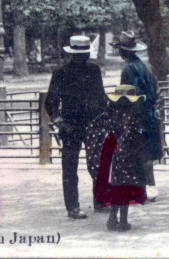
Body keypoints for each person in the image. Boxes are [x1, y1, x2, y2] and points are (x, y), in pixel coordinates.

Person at [45, 34, 107, 219]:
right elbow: (51, 103)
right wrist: (60, 122)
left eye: (86, 53)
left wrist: (106, 117)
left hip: (93, 123)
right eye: (80, 54)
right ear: (72, 54)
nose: (84, 57)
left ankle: (100, 201)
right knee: (70, 168)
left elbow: (101, 97)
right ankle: (72, 207)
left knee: (97, 164)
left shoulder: (94, 70)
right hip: (70, 125)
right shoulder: (60, 73)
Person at [85, 85, 147, 233]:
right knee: (123, 188)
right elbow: (130, 137)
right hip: (124, 155)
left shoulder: (110, 114)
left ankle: (112, 218)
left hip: (110, 154)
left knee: (114, 187)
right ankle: (123, 222)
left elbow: (94, 126)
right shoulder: (131, 117)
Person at [112, 31, 162, 201]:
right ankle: (151, 187)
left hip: (137, 114)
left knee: (137, 152)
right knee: (147, 152)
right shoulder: (146, 66)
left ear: (124, 51)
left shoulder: (127, 68)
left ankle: (142, 189)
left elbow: (127, 94)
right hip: (151, 114)